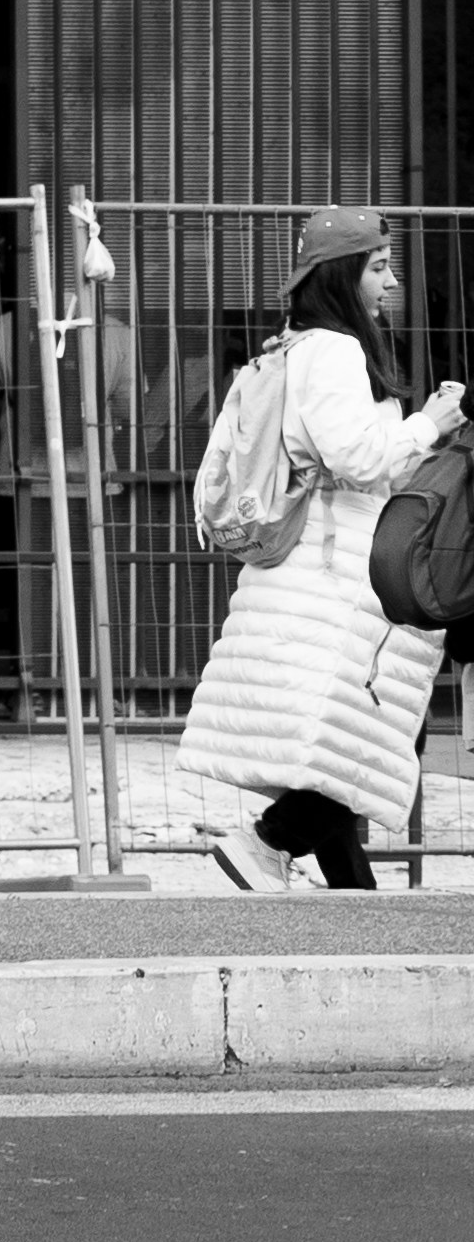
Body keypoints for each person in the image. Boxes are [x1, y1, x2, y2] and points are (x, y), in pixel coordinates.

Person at [177, 208, 462, 890]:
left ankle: (351, 893)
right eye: (378, 267)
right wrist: (431, 421)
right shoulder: (334, 351)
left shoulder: (286, 348)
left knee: (342, 740)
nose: (390, 282)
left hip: (305, 566)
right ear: (340, 276)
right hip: (338, 571)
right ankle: (267, 842)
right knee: (379, 727)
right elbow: (360, 458)